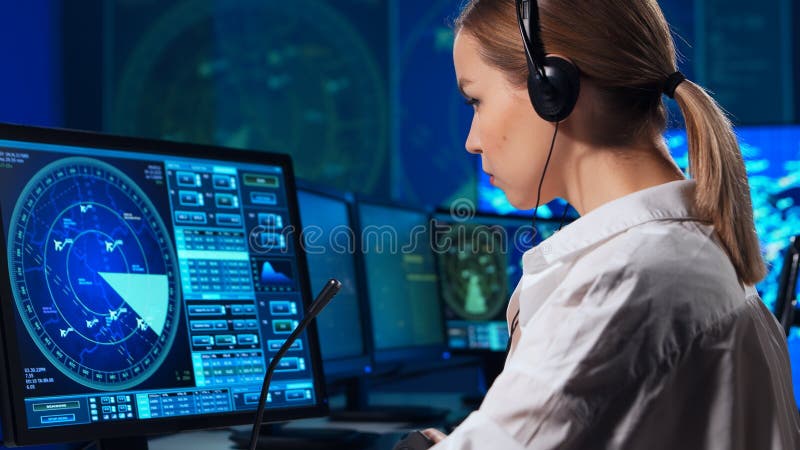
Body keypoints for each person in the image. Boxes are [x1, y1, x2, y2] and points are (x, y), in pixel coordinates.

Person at [421, 0, 800, 448]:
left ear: (552, 90)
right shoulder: (671, 255)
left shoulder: (630, 277)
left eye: (476, 101)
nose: (472, 140)